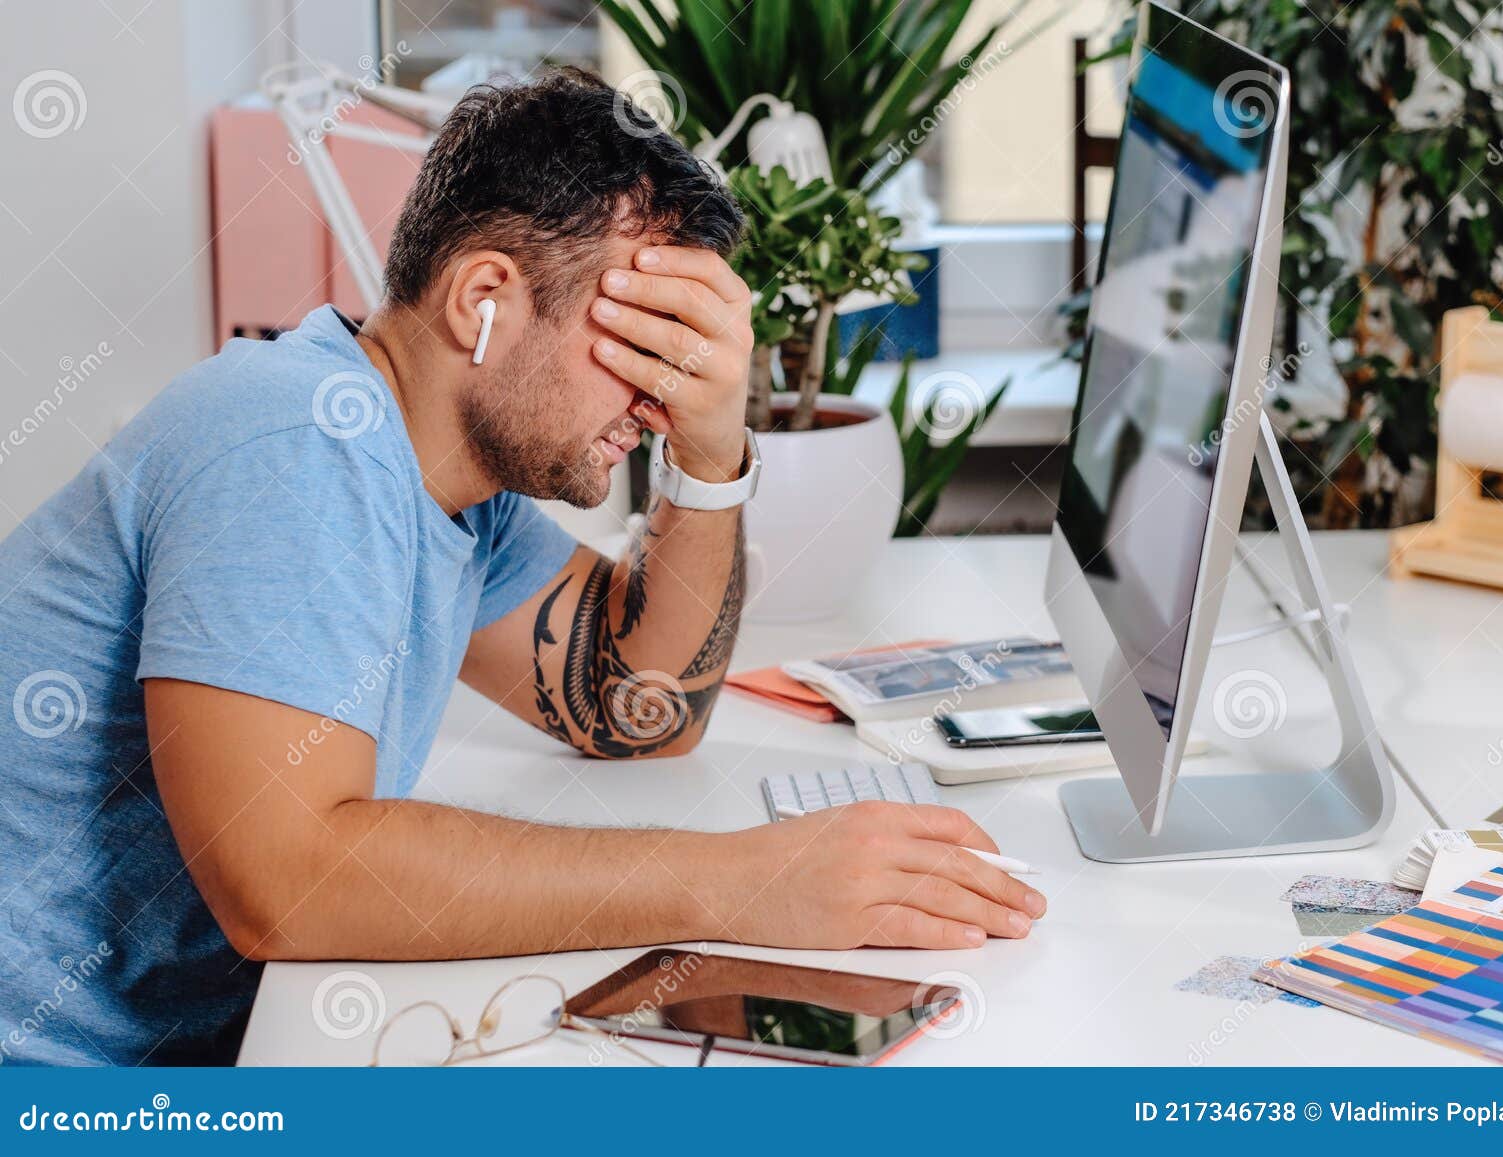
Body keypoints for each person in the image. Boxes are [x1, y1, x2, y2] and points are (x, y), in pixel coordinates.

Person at [0, 70, 1044, 1067]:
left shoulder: (452, 488)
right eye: (639, 339)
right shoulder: (296, 438)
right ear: (482, 298)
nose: (656, 396)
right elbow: (288, 881)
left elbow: (636, 709)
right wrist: (743, 880)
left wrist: (712, 451)